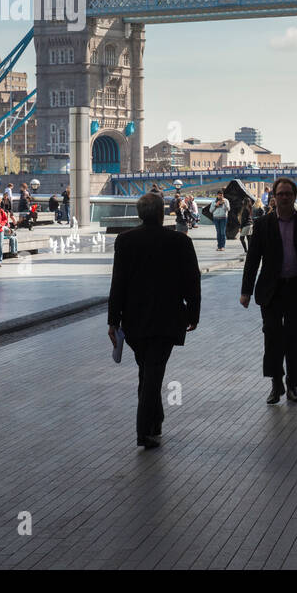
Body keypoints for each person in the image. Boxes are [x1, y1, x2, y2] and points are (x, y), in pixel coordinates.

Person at [108, 192, 201, 448]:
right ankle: (144, 431)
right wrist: (194, 313)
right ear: (162, 213)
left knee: (147, 371)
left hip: (134, 320)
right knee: (153, 372)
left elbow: (118, 283)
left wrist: (113, 320)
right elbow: (192, 281)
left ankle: (155, 420)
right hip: (167, 319)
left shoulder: (125, 241)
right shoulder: (179, 241)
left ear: (140, 214)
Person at [240, 177, 297, 404]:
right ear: (274, 197)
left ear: (294, 196)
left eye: (289, 193)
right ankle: (276, 383)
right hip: (271, 291)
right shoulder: (263, 225)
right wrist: (246, 291)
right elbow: (252, 260)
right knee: (272, 338)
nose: (285, 197)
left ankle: (293, 385)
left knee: (296, 341)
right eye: (281, 194)